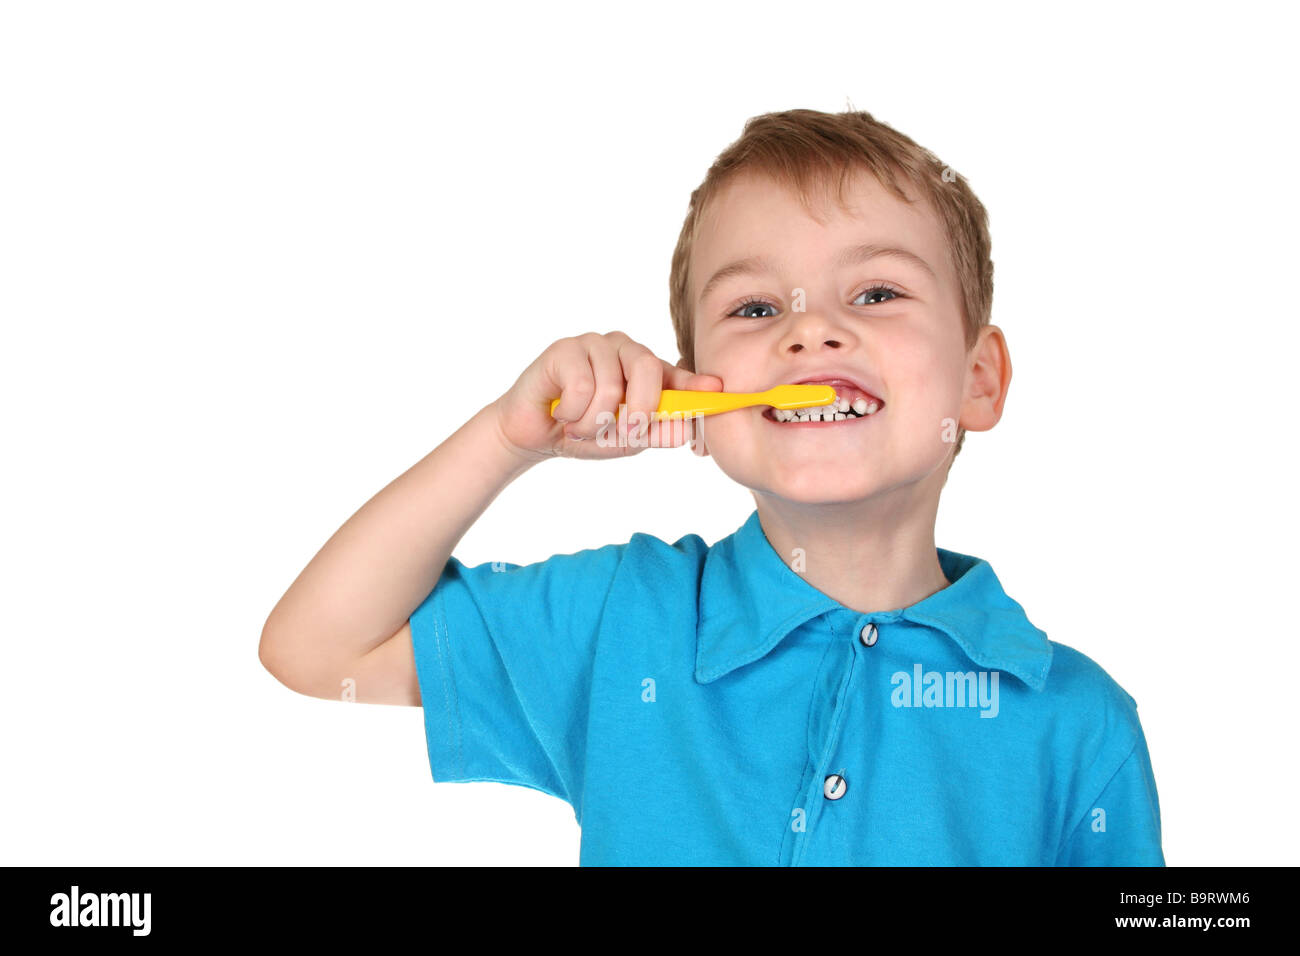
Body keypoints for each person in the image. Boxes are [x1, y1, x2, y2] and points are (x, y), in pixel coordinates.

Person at [259, 108, 1165, 866]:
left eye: (877, 293)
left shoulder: (1080, 726)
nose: (810, 334)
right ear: (692, 396)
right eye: (756, 309)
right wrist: (507, 438)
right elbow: (316, 649)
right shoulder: (621, 622)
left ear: (979, 379)